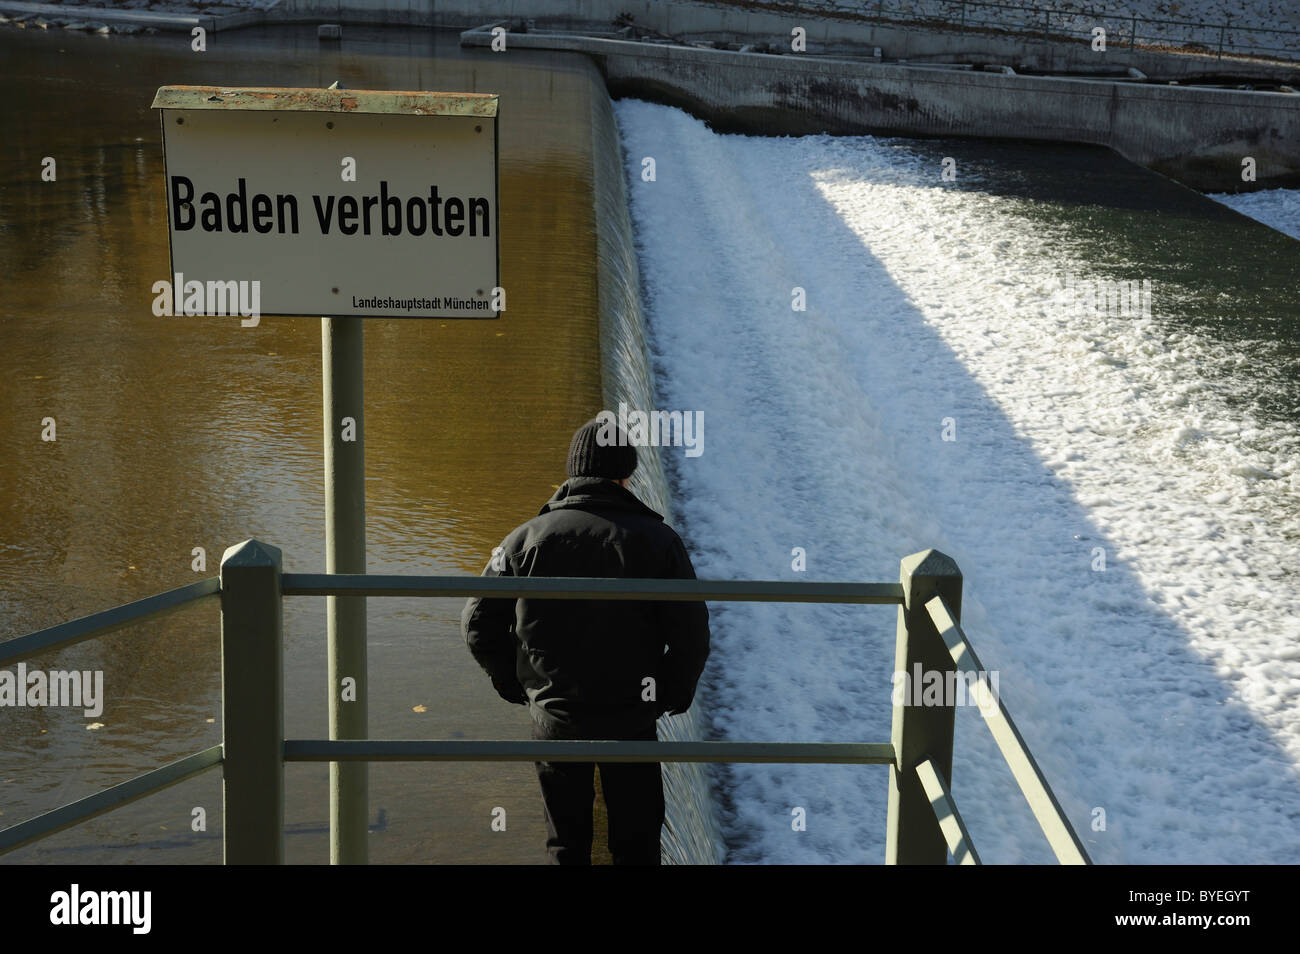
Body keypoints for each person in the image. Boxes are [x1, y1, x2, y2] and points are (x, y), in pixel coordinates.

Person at [462, 416, 711, 865]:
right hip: (631, 717)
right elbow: (692, 633)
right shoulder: (660, 542)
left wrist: (516, 685)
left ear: (573, 472)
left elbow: (477, 622)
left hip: (556, 718)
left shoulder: (522, 540)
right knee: (636, 845)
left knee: (566, 844)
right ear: (625, 475)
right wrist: (670, 693)